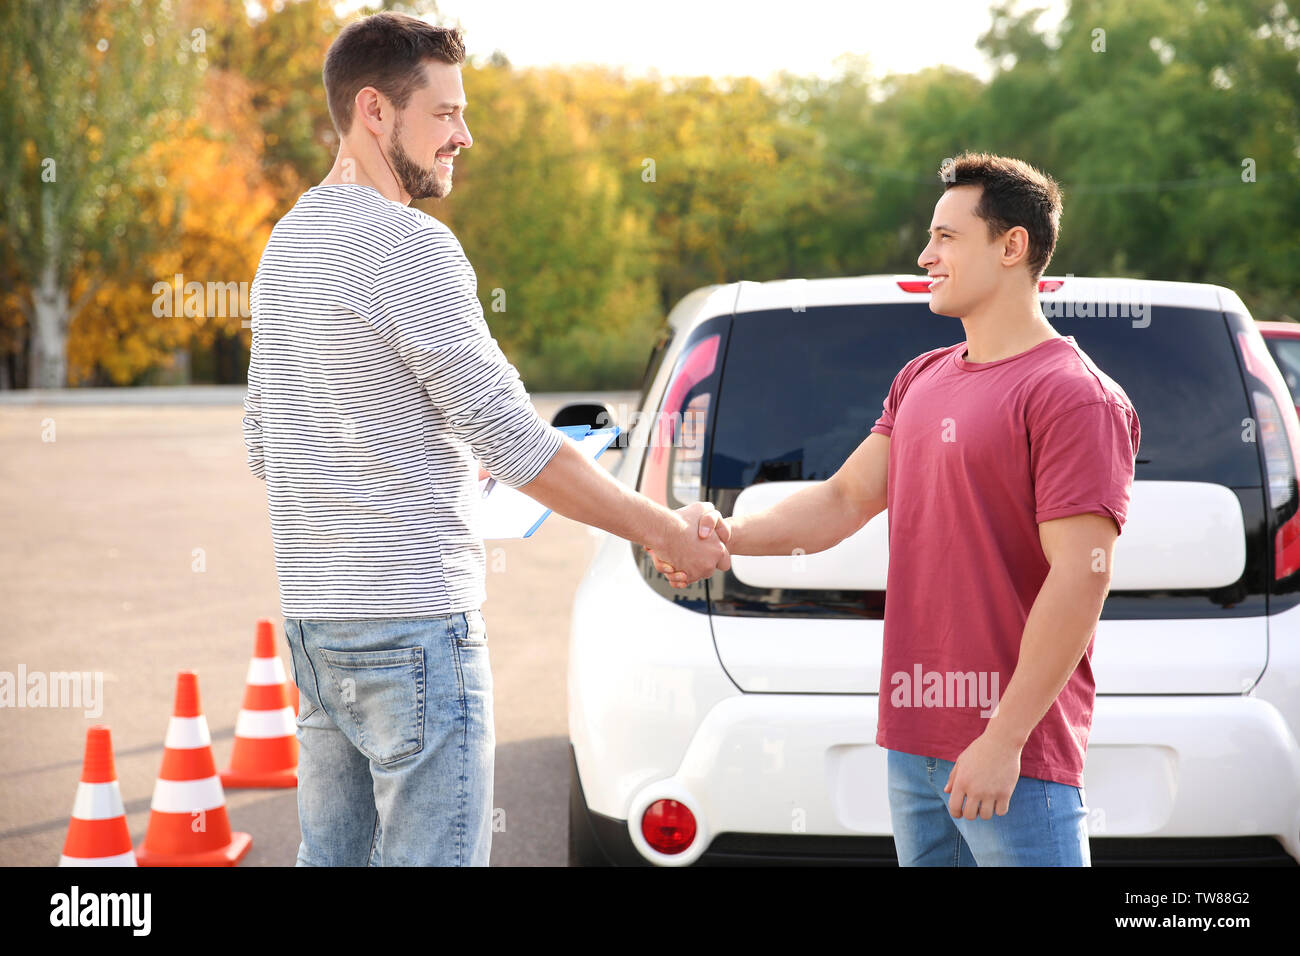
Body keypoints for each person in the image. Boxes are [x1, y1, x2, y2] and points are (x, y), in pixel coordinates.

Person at [241, 11, 729, 866]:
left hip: (319, 627)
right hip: (417, 632)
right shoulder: (412, 247)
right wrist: (660, 530)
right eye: (445, 114)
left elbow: (262, 443)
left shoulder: (287, 244)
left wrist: (404, 451)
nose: (464, 135)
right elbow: (516, 443)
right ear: (374, 112)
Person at [652, 153, 1141, 866]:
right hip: (914, 746)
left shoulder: (1072, 394)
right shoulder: (921, 378)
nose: (926, 255)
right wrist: (726, 537)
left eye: (947, 237)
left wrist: (1003, 740)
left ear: (1013, 246)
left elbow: (1081, 576)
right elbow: (845, 499)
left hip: (1012, 760)